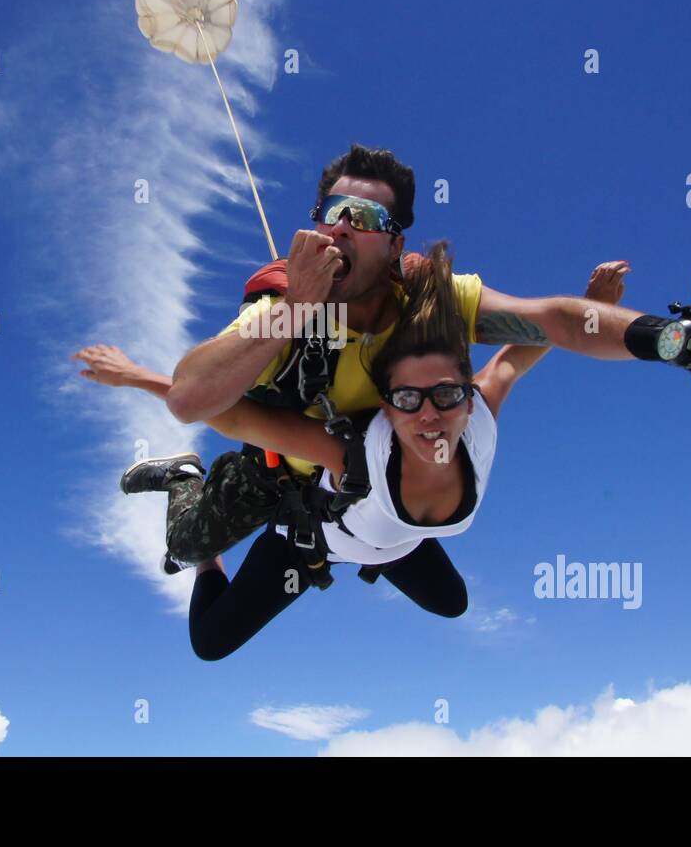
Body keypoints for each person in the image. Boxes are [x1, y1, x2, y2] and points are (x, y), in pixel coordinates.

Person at [153, 145, 691, 568]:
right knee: (185, 546)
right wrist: (295, 307)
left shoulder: (429, 298)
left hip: (376, 487)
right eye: (330, 212)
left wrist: (682, 343)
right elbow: (190, 399)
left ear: (395, 239)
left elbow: (553, 321)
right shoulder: (285, 314)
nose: (340, 225)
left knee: (425, 566)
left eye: (363, 214)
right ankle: (183, 480)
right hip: (285, 473)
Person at [74, 248, 629, 660]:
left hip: (387, 543)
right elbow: (228, 412)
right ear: (392, 408)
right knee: (207, 627)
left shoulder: (472, 421)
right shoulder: (352, 453)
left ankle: (372, 548)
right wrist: (138, 377)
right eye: (412, 402)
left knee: (452, 602)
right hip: (303, 532)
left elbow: (509, 363)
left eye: (446, 399)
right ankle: (185, 484)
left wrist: (588, 315)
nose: (432, 418)